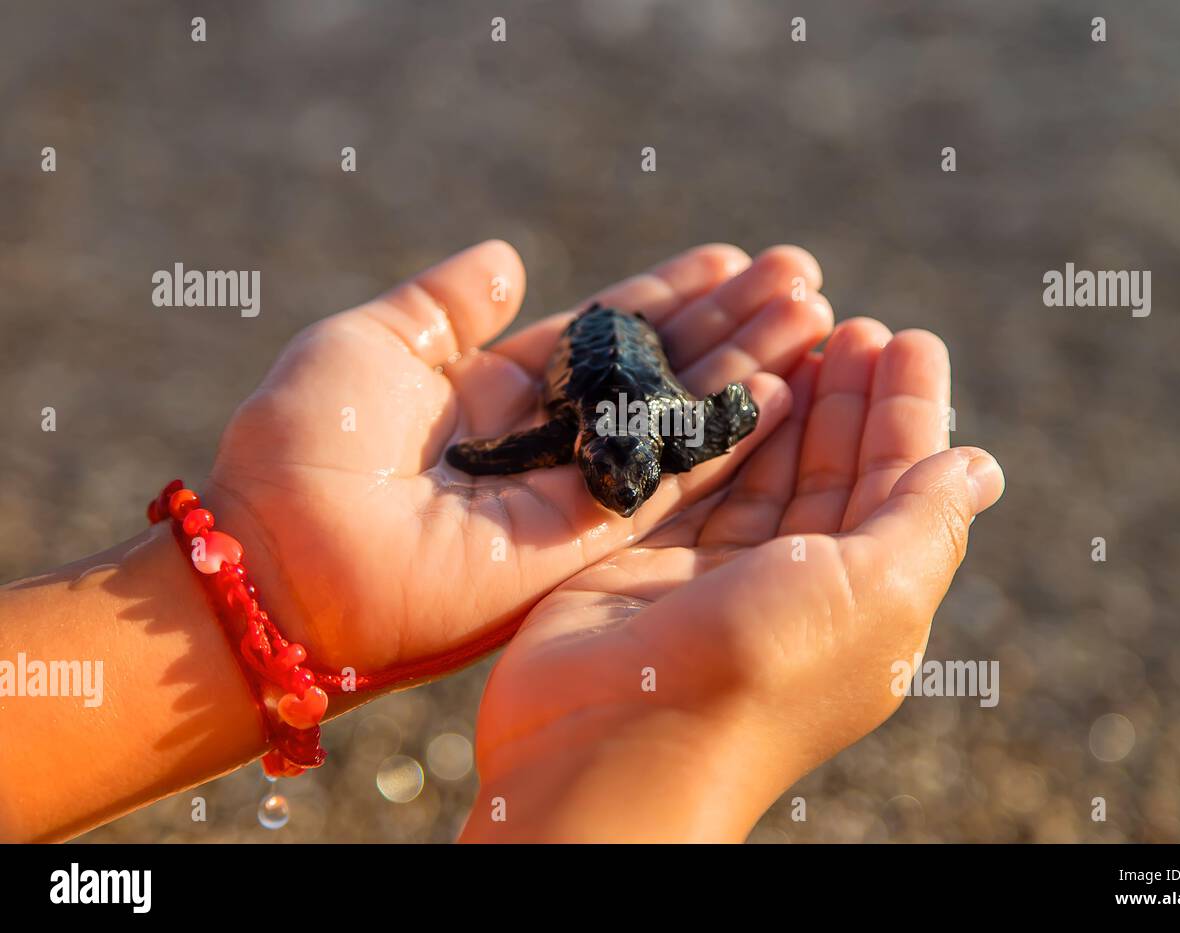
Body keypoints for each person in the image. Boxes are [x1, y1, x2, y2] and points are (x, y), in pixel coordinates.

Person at [0, 240, 1004, 842]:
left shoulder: (662, 426)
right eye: (609, 477)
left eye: (630, 480)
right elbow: (516, 446)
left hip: (623, 356)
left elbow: (720, 412)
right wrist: (668, 743)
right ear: (582, 446)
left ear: (656, 446)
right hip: (602, 354)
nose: (614, 495)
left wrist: (275, 574)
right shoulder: (582, 432)